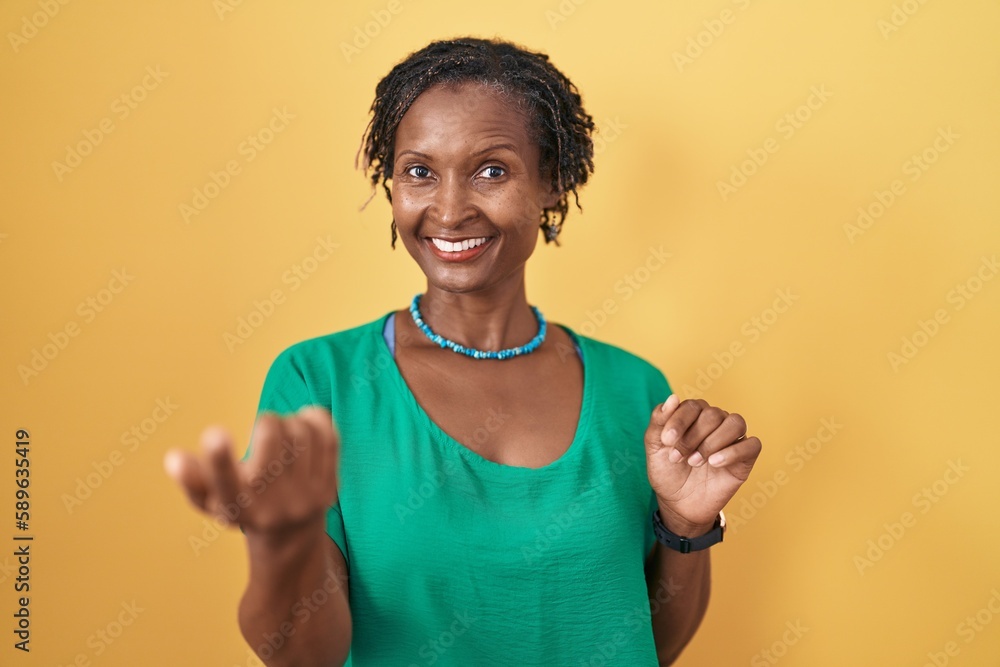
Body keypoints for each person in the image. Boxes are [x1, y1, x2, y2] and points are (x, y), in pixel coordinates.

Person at [164, 36, 762, 667]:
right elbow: (304, 656)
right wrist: (280, 546)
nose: (449, 211)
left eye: (492, 170)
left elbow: (648, 644)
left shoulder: (636, 390)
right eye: (419, 172)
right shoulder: (320, 382)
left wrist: (685, 527)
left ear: (552, 183)